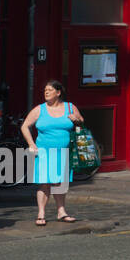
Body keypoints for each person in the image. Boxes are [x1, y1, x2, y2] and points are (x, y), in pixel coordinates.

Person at [21, 80, 85, 225]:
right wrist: (31, 144)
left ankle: (61, 212)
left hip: (63, 151)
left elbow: (81, 121)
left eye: (49, 90)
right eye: (45, 90)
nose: (46, 92)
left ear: (58, 92)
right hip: (43, 152)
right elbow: (25, 126)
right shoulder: (39, 109)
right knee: (44, 183)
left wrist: (76, 120)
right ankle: (41, 214)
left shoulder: (70, 107)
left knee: (60, 183)